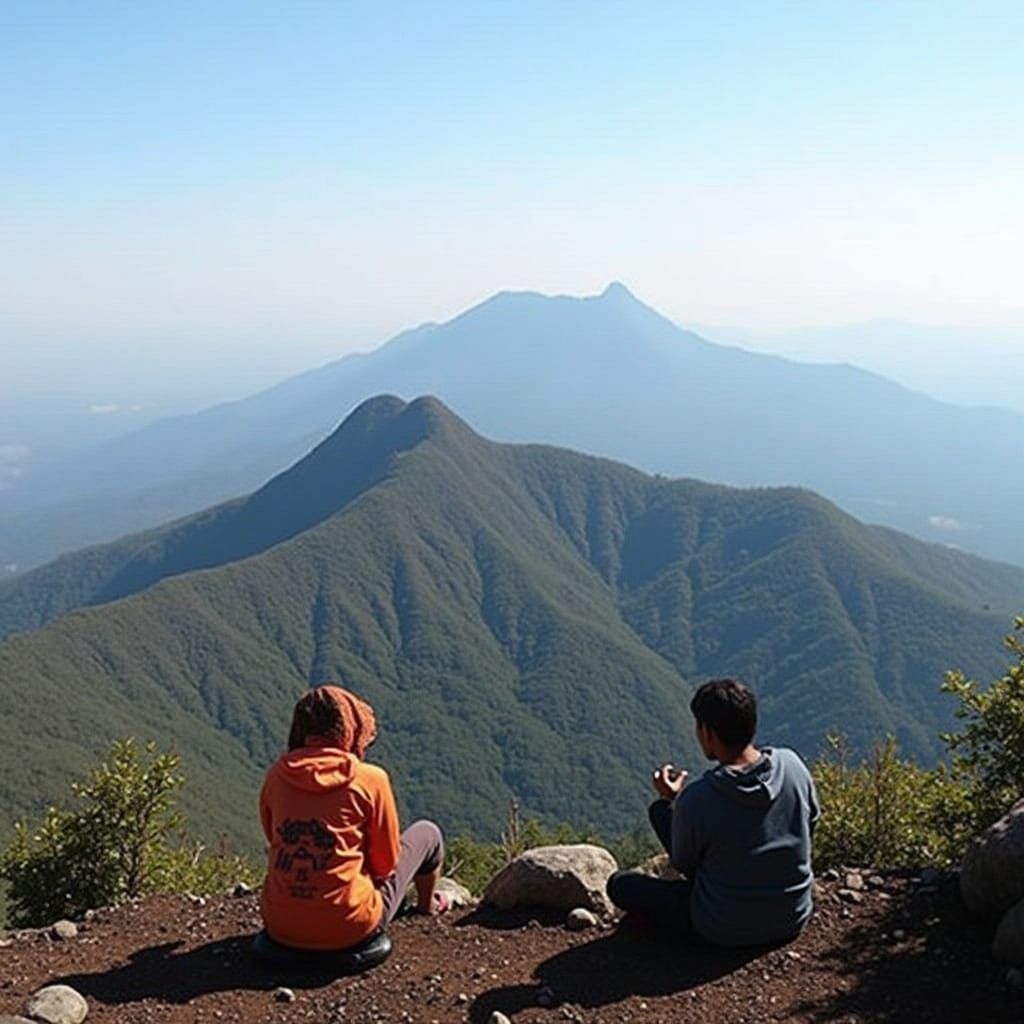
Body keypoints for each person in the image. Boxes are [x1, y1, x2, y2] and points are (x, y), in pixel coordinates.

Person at [607, 677, 820, 946]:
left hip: (722, 926)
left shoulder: (699, 798)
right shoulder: (793, 765)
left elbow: (685, 864)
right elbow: (810, 823)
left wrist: (677, 803)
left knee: (620, 884)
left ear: (708, 733)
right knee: (662, 813)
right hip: (793, 915)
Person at [259, 684, 447, 951]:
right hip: (350, 927)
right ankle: (427, 908)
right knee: (428, 833)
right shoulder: (370, 779)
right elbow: (385, 865)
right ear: (348, 727)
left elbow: (273, 836)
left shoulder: (276, 776)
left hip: (279, 926)